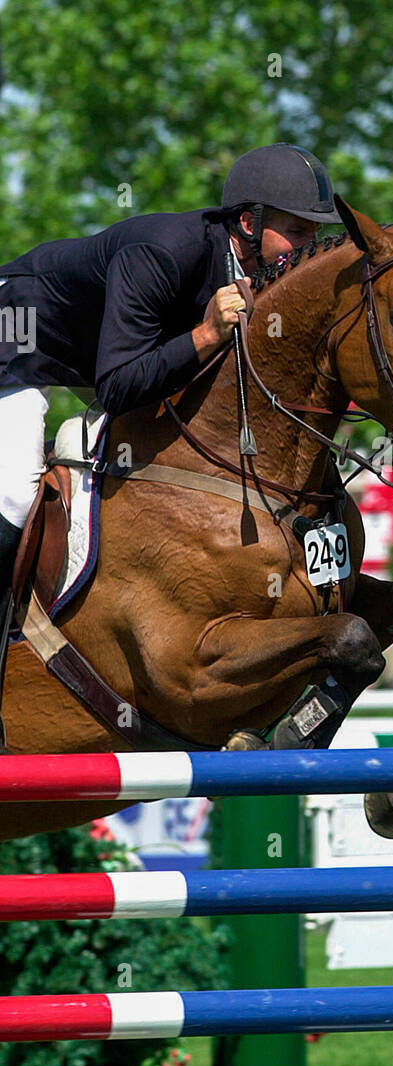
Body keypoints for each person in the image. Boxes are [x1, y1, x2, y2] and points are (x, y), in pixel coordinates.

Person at [0, 143, 340, 705]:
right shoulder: (161, 252)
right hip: (17, 340)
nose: (308, 247)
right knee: (14, 493)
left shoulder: (257, 276)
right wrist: (205, 335)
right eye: (298, 233)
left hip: (94, 354)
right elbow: (117, 387)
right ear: (250, 224)